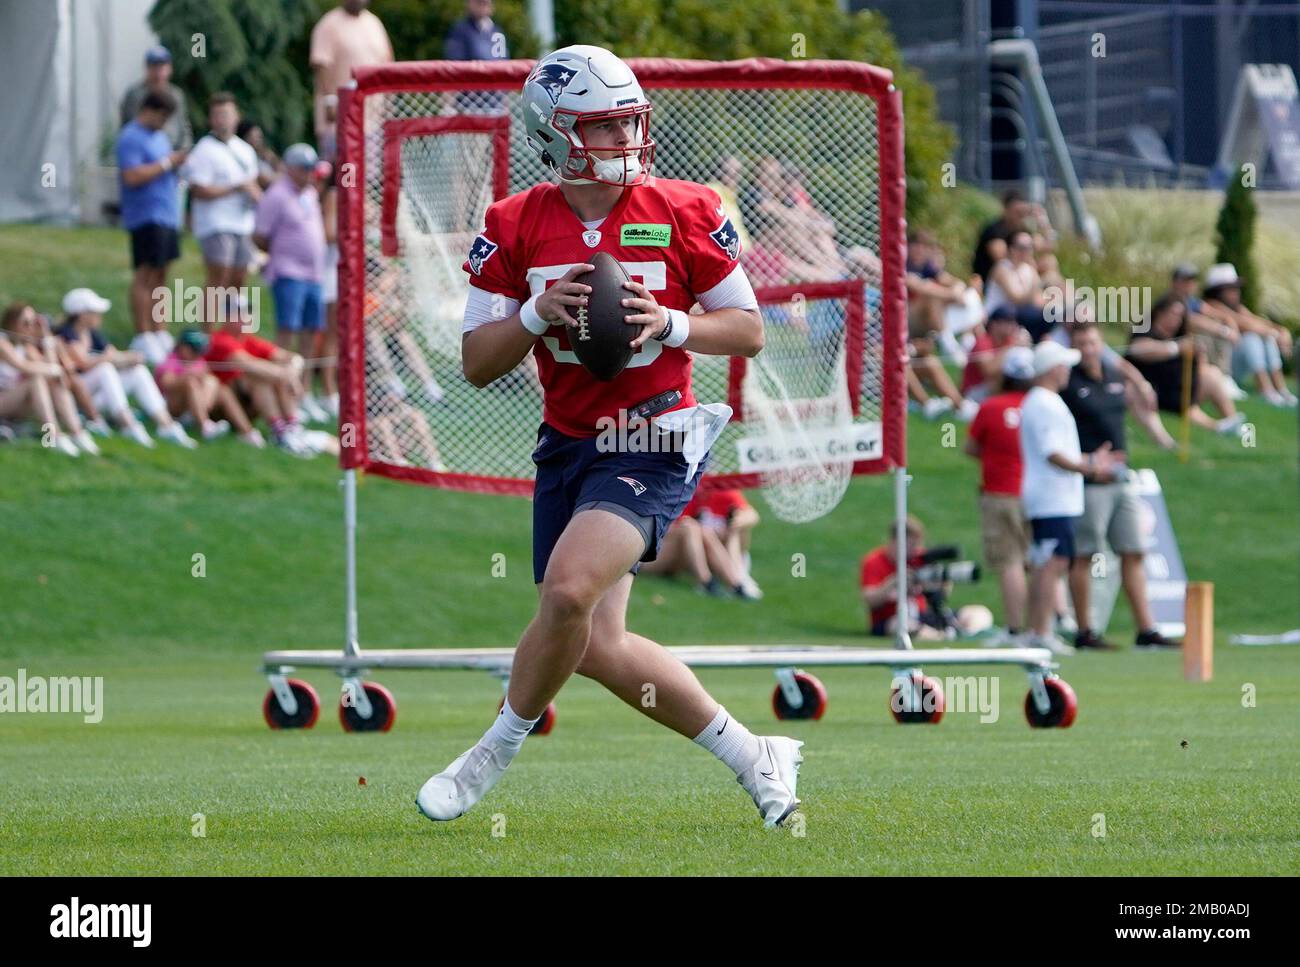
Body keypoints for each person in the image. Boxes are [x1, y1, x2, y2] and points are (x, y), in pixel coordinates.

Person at [416, 46, 801, 830]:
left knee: (566, 591)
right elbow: (476, 363)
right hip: (568, 439)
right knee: (592, 640)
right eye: (603, 124)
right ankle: (754, 753)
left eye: (629, 119)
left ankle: (491, 750)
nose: (625, 137)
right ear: (554, 135)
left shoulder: (688, 208)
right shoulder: (513, 223)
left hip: (653, 432)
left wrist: (673, 323)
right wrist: (534, 312)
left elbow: (751, 330)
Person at [1061, 322, 1176, 650]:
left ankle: (1146, 629)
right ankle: (1085, 631)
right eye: (1081, 343)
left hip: (1121, 478)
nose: (1088, 348)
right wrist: (1086, 461)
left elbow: (1135, 408)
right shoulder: (1068, 382)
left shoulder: (1113, 377)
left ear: (1101, 345)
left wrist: (1140, 383)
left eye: (1093, 342)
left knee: (1134, 549)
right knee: (1085, 554)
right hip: (1090, 481)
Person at [1020, 340, 1118, 656]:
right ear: (1051, 369)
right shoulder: (1044, 403)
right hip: (1052, 497)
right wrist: (1089, 467)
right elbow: (1053, 454)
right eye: (1062, 365)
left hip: (1055, 497)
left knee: (1049, 562)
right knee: (1052, 563)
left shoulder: (1044, 401)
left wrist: (1089, 460)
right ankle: (1040, 631)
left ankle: (1038, 630)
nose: (1067, 371)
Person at [57, 289, 195, 449]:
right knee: (105, 369)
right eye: (94, 312)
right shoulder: (66, 334)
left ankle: (166, 424)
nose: (99, 316)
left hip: (99, 393)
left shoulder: (93, 334)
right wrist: (108, 358)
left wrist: (131, 358)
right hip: (78, 397)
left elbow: (113, 354)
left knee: (138, 371)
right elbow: (83, 363)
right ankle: (128, 424)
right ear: (82, 314)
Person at [963, 346, 1035, 638]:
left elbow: (970, 448)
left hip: (999, 493)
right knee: (1041, 562)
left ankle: (1016, 628)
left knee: (1010, 562)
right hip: (1037, 495)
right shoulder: (1040, 406)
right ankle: (1049, 624)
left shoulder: (991, 407)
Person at [253, 143, 328, 422]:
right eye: (305, 169)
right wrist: (282, 255)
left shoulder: (309, 192)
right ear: (291, 168)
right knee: (287, 334)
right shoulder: (276, 196)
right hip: (288, 273)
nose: (310, 174)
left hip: (313, 275)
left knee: (310, 334)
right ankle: (283, 390)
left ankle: (303, 391)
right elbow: (260, 235)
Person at [117, 90, 187, 346]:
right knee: (145, 274)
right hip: (146, 215)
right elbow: (132, 176)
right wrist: (168, 163)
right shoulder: (131, 137)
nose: (164, 122)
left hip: (168, 214)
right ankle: (143, 334)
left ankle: (159, 331)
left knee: (161, 275)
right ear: (149, 110)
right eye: (162, 117)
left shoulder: (160, 138)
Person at [203, 302, 318, 455]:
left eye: (247, 313)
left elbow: (292, 357)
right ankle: (279, 430)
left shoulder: (249, 340)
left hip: (245, 402)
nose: (244, 318)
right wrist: (289, 377)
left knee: (275, 369)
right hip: (221, 405)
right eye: (239, 314)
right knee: (260, 377)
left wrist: (291, 372)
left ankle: (291, 425)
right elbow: (247, 364)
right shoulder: (219, 340)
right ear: (226, 317)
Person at [183, 93, 261, 314]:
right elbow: (199, 189)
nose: (221, 119)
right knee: (219, 277)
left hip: (243, 223)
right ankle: (207, 335)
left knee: (239, 278)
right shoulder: (204, 150)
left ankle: (231, 335)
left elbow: (252, 183)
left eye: (226, 114)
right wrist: (236, 187)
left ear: (237, 117)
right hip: (216, 223)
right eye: (216, 115)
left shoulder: (245, 151)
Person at [1127, 294, 1246, 436]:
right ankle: (1217, 427)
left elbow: (1196, 360)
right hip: (1154, 390)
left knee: (1212, 374)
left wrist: (1198, 355)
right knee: (1186, 404)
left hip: (1180, 387)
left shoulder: (1180, 333)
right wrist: (1177, 348)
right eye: (1173, 314)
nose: (1176, 320)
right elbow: (1138, 349)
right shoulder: (1145, 330)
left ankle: (1233, 422)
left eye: (1180, 316)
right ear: (1160, 312)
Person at [0, 304, 99, 457]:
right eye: (25, 323)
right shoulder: (3, 343)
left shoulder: (26, 347)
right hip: (4, 400)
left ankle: (77, 432)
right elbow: (23, 366)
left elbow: (50, 365)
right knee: (36, 379)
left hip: (16, 403)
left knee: (53, 381)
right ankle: (54, 436)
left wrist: (46, 337)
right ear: (12, 323)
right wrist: (55, 370)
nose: (30, 327)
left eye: (33, 322)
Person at [1201, 263, 1296, 407]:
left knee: (1265, 337)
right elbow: (1246, 324)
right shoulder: (1212, 305)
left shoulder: (1237, 307)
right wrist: (1277, 334)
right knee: (1251, 338)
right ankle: (1265, 390)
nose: (1236, 292)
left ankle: (1281, 389)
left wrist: (1281, 330)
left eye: (1236, 288)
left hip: (1232, 364)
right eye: (1231, 288)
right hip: (1221, 367)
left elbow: (1257, 322)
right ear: (1218, 291)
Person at [310, 0, 393, 158]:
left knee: (368, 176)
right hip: (340, 119)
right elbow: (321, 64)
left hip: (372, 119)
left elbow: (388, 62)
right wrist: (330, 100)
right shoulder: (329, 24)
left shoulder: (374, 23)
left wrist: (388, 102)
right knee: (343, 175)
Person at [153, 328, 265, 445]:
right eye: (194, 350)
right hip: (171, 406)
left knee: (223, 391)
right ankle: (204, 426)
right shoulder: (171, 360)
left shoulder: (198, 361)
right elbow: (167, 384)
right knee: (190, 383)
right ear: (183, 347)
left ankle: (247, 432)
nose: (197, 354)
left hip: (196, 402)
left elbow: (209, 380)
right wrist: (188, 375)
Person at [1168, 264, 1246, 399]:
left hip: (1192, 341)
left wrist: (1229, 323)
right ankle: (1217, 379)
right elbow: (1189, 320)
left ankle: (1224, 378)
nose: (1189, 284)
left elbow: (1217, 314)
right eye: (1185, 280)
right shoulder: (1171, 300)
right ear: (1175, 282)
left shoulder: (1193, 301)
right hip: (1178, 343)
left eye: (1191, 280)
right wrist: (1224, 331)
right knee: (1205, 335)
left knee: (1215, 328)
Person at [860, 517, 944, 640]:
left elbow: (942, 592)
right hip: (889, 619)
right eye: (911, 545)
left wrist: (938, 584)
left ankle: (960, 633)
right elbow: (870, 600)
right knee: (902, 625)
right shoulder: (874, 561)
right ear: (895, 541)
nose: (915, 550)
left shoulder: (920, 558)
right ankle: (939, 636)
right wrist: (893, 582)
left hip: (921, 614)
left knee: (976, 613)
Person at [119, 46, 193, 152]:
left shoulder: (176, 94)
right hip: (145, 152)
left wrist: (183, 150)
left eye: (162, 67)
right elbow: (129, 126)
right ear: (147, 68)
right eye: (154, 67)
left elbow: (184, 126)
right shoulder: (135, 94)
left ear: (169, 69)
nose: (158, 72)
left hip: (173, 151)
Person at [443, 0, 510, 113]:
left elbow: (506, 74)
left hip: (496, 107)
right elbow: (453, 70)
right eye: (479, 2)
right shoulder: (461, 31)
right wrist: (448, 105)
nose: (484, 3)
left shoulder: (497, 32)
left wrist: (506, 106)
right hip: (468, 107)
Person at [985, 230, 1050, 342]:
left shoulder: (1029, 269)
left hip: (1018, 313)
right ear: (1011, 249)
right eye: (1022, 247)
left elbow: (1038, 299)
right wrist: (1038, 282)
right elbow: (1017, 299)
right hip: (998, 315)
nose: (1027, 251)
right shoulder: (1002, 268)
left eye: (1030, 247)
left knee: (1053, 315)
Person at [961, 306, 1028, 403]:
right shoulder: (983, 342)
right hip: (973, 393)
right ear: (994, 324)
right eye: (1008, 322)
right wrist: (1012, 347)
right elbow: (988, 370)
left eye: (1014, 322)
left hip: (992, 390)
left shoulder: (1009, 341)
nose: (1013, 326)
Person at [972, 189, 1032, 290]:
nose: (1021, 216)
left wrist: (1043, 223)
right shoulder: (994, 231)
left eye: (1023, 213)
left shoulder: (1020, 230)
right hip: (992, 283)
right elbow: (1002, 258)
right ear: (1006, 209)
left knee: (1049, 262)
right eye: (1017, 212)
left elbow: (1046, 246)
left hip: (1015, 278)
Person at [236, 120, 282, 189]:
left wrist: (274, 161)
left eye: (259, 137)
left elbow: (284, 170)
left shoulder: (266, 154)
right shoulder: (242, 158)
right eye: (253, 137)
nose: (258, 140)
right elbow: (265, 180)